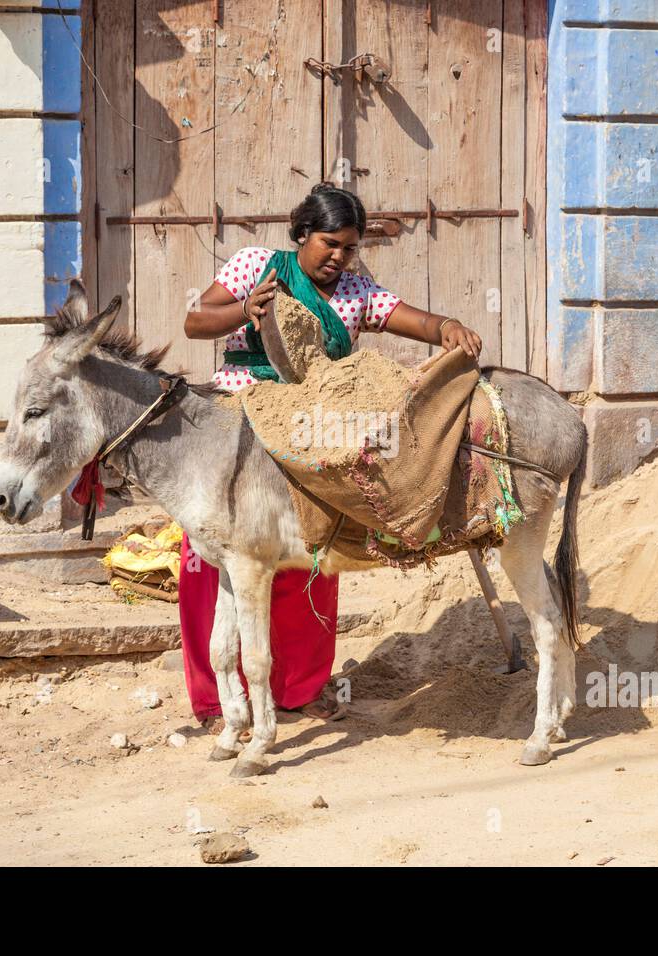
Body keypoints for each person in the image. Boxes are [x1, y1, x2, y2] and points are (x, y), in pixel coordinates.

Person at [178, 183, 483, 730]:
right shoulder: (258, 265)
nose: (340, 257)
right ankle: (218, 698)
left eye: (350, 248)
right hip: (239, 427)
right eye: (330, 244)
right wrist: (245, 310)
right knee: (215, 562)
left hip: (309, 432)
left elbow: (408, 318)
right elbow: (196, 320)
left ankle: (299, 689)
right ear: (302, 235)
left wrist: (446, 328)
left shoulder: (355, 291)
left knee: (311, 553)